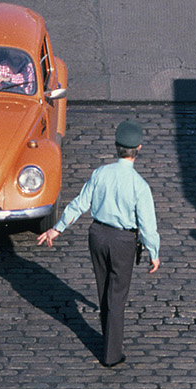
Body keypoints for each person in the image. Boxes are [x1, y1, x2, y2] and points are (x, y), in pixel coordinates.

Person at [37, 118, 160, 367]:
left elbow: (80, 203)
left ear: (116, 146)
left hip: (97, 236)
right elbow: (148, 224)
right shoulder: (140, 185)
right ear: (139, 149)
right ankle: (111, 355)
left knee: (104, 290)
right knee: (117, 296)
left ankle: (107, 339)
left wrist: (57, 229)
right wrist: (153, 252)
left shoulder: (100, 174)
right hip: (123, 241)